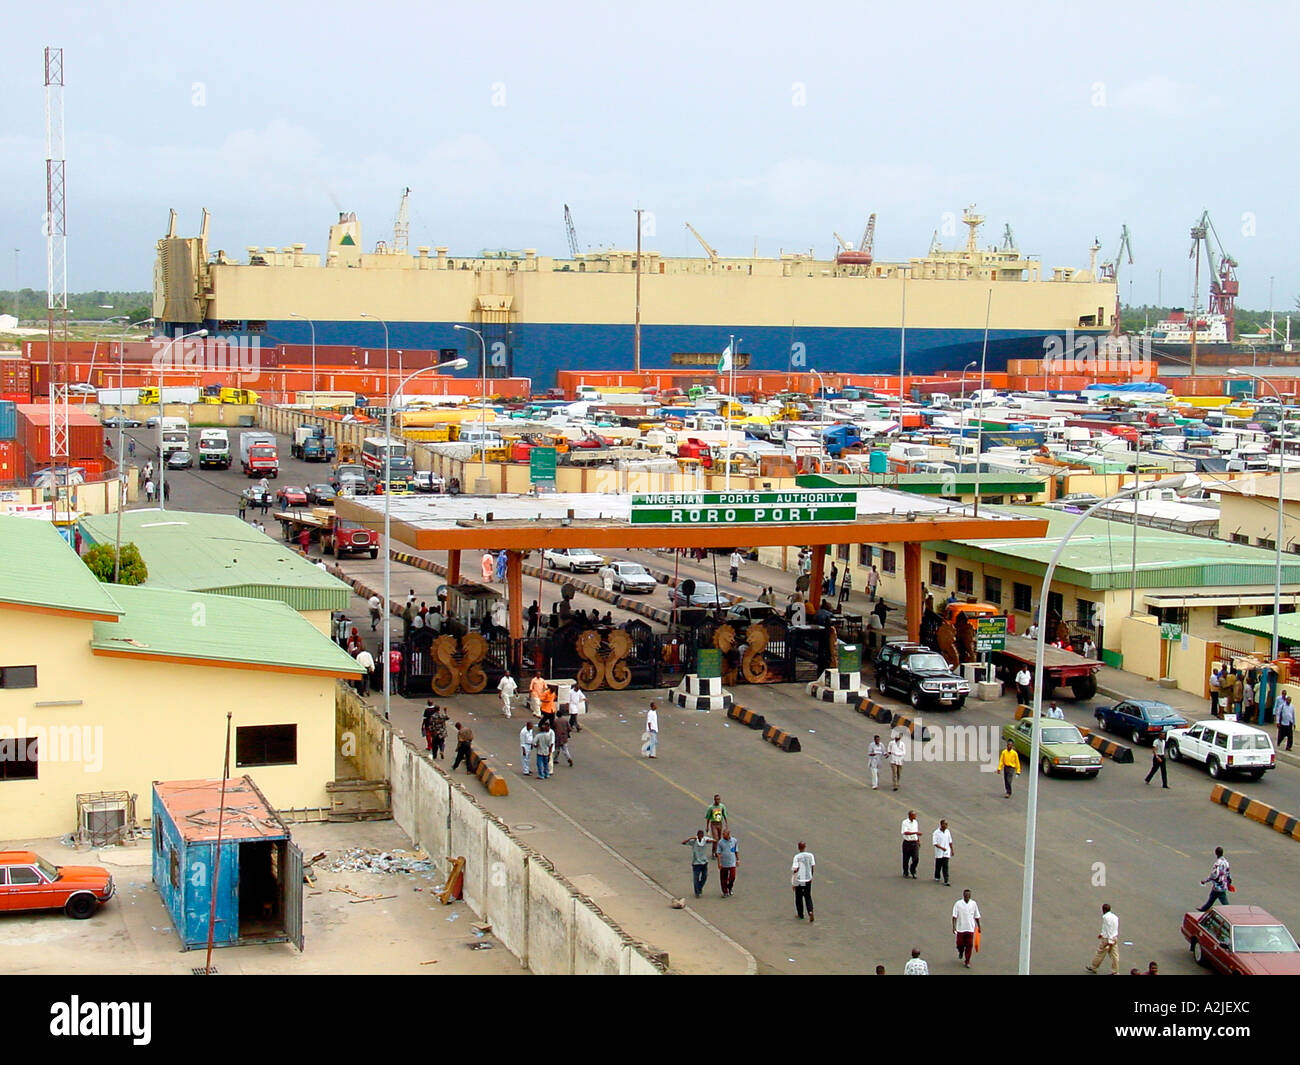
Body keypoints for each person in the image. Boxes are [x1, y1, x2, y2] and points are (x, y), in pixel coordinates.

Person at [1085, 903, 1121, 975]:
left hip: (1107, 939)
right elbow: (1112, 928)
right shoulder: (1115, 917)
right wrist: (1102, 934)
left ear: (1103, 910)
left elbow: (1108, 928)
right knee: (1115, 955)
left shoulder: (1105, 917)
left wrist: (1109, 940)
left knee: (1100, 953)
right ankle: (1115, 971)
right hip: (1114, 937)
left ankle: (1094, 967)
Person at [952, 889, 981, 968]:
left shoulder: (973, 904)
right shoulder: (958, 904)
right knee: (959, 943)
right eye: (966, 895)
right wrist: (954, 927)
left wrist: (979, 926)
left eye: (969, 895)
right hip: (960, 928)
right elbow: (954, 916)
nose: (967, 897)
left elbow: (976, 916)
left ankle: (967, 961)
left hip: (970, 928)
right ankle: (961, 951)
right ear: (963, 895)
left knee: (969, 945)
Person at [682, 829, 714, 898]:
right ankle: (697, 892)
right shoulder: (694, 841)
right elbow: (683, 842)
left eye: (702, 835)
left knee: (704, 877)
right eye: (699, 835)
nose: (701, 837)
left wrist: (708, 839)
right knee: (696, 878)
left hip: (704, 862)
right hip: (696, 863)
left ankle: (700, 887)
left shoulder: (704, 840)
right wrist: (690, 838)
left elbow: (714, 841)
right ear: (697, 835)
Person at [1198, 847, 1231, 911]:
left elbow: (1214, 875)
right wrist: (1229, 882)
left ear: (1216, 853)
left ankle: (1229, 911)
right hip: (1223, 884)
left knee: (1223, 900)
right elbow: (1228, 873)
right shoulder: (1226, 862)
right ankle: (1204, 908)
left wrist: (1205, 881)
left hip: (1218, 885)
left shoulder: (1217, 864)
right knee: (1212, 896)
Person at [791, 841, 815, 922]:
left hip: (799, 879)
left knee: (799, 897)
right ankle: (810, 911)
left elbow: (795, 870)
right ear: (805, 847)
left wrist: (793, 882)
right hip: (808, 879)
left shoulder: (797, 857)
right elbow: (812, 867)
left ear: (798, 848)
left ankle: (800, 914)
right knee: (808, 896)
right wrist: (811, 876)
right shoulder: (810, 855)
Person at [714, 828, 739, 897]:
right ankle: (725, 891)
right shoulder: (720, 842)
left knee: (732, 877)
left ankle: (729, 888)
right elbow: (718, 853)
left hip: (732, 862)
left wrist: (737, 859)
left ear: (728, 834)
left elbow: (736, 851)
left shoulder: (734, 841)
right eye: (722, 834)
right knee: (723, 878)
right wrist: (719, 863)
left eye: (724, 834)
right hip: (724, 863)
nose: (723, 835)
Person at [932, 818, 953, 886]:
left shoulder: (947, 831)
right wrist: (942, 848)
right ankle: (937, 876)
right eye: (945, 824)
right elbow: (935, 843)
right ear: (941, 825)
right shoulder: (936, 833)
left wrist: (952, 850)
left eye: (947, 824)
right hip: (939, 852)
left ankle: (946, 880)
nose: (946, 825)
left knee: (945, 866)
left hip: (946, 851)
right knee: (938, 865)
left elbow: (950, 841)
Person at [900, 810, 921, 878]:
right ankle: (905, 872)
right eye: (914, 815)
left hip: (914, 842)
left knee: (916, 858)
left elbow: (916, 831)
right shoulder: (905, 822)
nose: (915, 817)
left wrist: (918, 840)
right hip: (907, 842)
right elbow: (905, 832)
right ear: (910, 816)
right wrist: (915, 833)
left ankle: (913, 870)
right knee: (906, 859)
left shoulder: (915, 822)